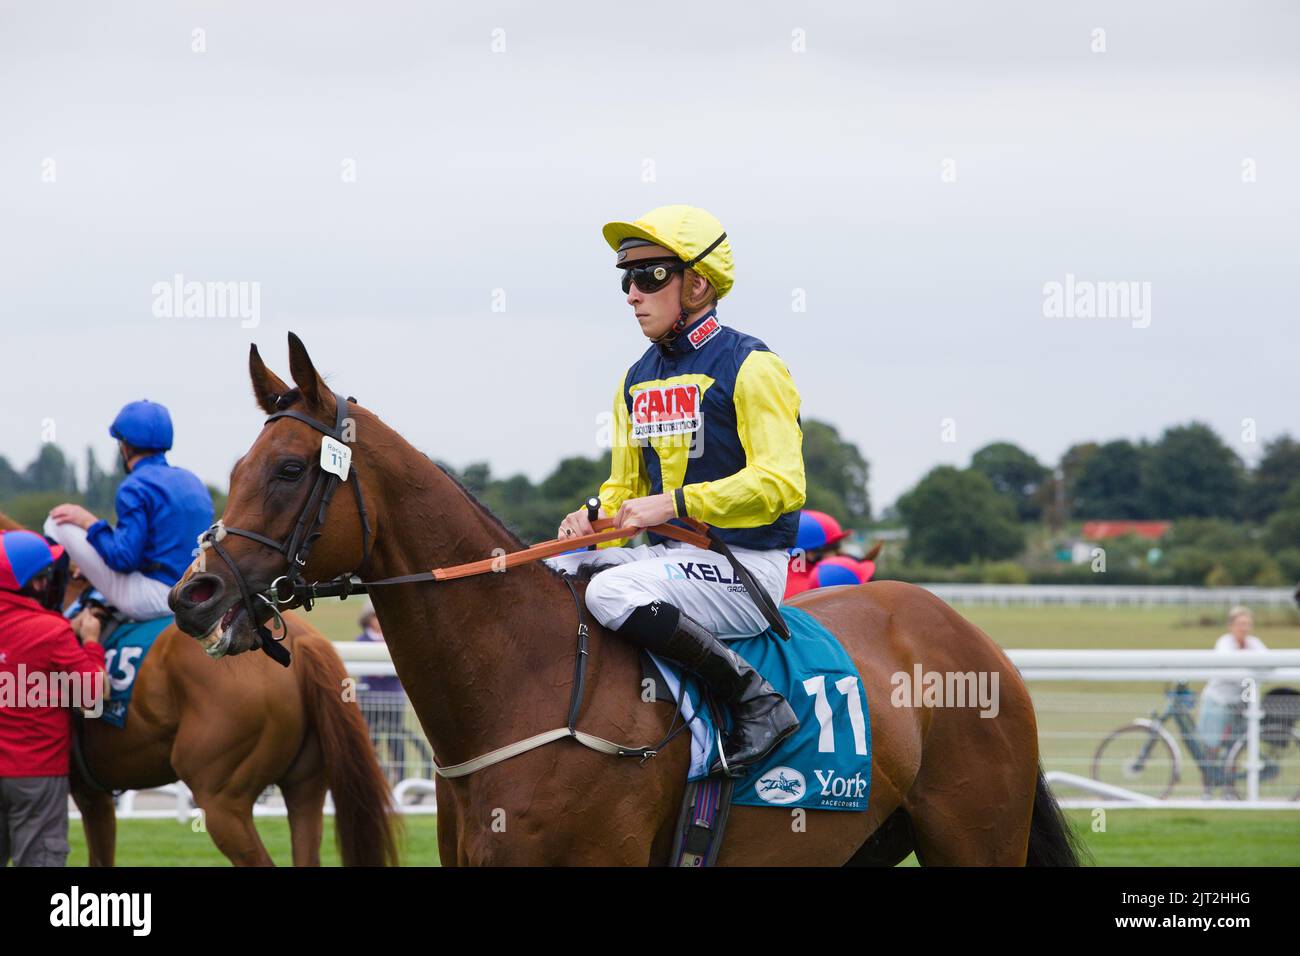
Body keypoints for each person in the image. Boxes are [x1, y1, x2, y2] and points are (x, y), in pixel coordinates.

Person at [545, 205, 806, 773]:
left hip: (744, 567)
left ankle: (755, 701)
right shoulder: (637, 377)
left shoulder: (753, 365)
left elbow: (782, 483)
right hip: (668, 559)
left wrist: (679, 503)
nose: (632, 294)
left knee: (610, 595)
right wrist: (592, 514)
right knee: (551, 578)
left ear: (697, 284)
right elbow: (625, 487)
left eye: (649, 276)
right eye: (626, 279)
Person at [45, 400, 214, 621]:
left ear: (124, 446)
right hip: (196, 593)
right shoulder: (193, 481)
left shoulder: (135, 485)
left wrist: (89, 522)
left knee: (57, 521)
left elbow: (123, 560)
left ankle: (48, 617)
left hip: (155, 598)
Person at [0, 530, 106, 867]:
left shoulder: (50, 626)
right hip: (36, 773)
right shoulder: (49, 629)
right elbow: (92, 694)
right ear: (37, 584)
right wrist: (90, 642)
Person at [1197, 606, 1267, 792]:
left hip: (1241, 702)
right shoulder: (1224, 643)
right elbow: (1229, 671)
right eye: (1240, 624)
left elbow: (1268, 663)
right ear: (1231, 625)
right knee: (1211, 746)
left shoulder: (1254, 643)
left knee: (1235, 748)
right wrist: (1251, 672)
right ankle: (1208, 790)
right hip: (1218, 700)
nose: (1244, 628)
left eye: (1247, 624)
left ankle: (1230, 789)